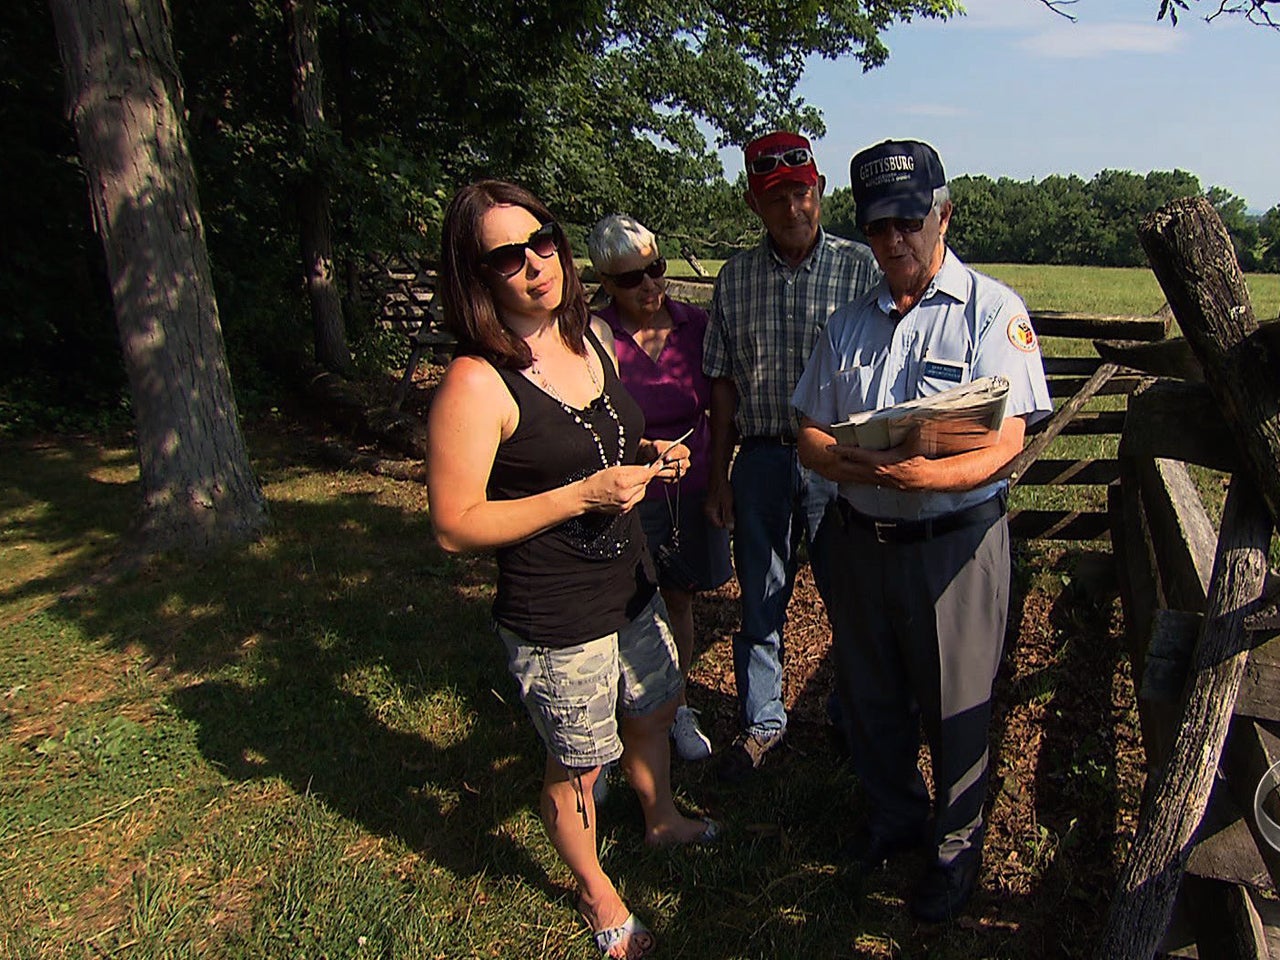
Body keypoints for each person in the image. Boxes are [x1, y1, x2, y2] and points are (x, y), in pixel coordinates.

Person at [427, 180, 717, 960]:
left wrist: (648, 455)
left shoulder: (587, 341)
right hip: (556, 608)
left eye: (544, 240)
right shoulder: (476, 381)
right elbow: (455, 525)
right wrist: (579, 496)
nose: (535, 264)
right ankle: (597, 895)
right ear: (477, 275)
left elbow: (600, 443)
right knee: (581, 763)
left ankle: (659, 821)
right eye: (507, 255)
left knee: (655, 708)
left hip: (629, 580)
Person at [792, 139, 1051, 922]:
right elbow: (807, 431)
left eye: (909, 220)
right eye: (878, 228)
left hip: (955, 548)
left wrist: (924, 478)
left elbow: (1010, 439)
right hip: (860, 542)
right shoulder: (847, 324)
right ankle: (895, 819)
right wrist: (868, 474)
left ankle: (953, 851)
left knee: (957, 706)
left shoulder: (992, 310)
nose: (894, 240)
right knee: (871, 697)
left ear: (943, 215)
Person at [702, 131, 881, 782]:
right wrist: (720, 477)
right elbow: (722, 383)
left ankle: (848, 711)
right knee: (761, 599)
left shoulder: (860, 269)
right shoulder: (736, 279)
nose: (792, 209)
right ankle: (762, 724)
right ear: (755, 203)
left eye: (801, 193)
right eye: (775, 198)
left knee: (850, 593)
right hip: (763, 458)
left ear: (821, 192)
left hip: (840, 460)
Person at [586, 214, 732, 763]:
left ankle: (676, 706)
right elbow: (592, 419)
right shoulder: (596, 337)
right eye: (631, 278)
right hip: (626, 490)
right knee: (621, 606)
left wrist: (719, 478)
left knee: (679, 598)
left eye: (655, 269)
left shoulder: (696, 324)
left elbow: (722, 402)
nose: (649, 285)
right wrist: (644, 453)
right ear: (605, 283)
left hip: (691, 489)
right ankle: (617, 719)